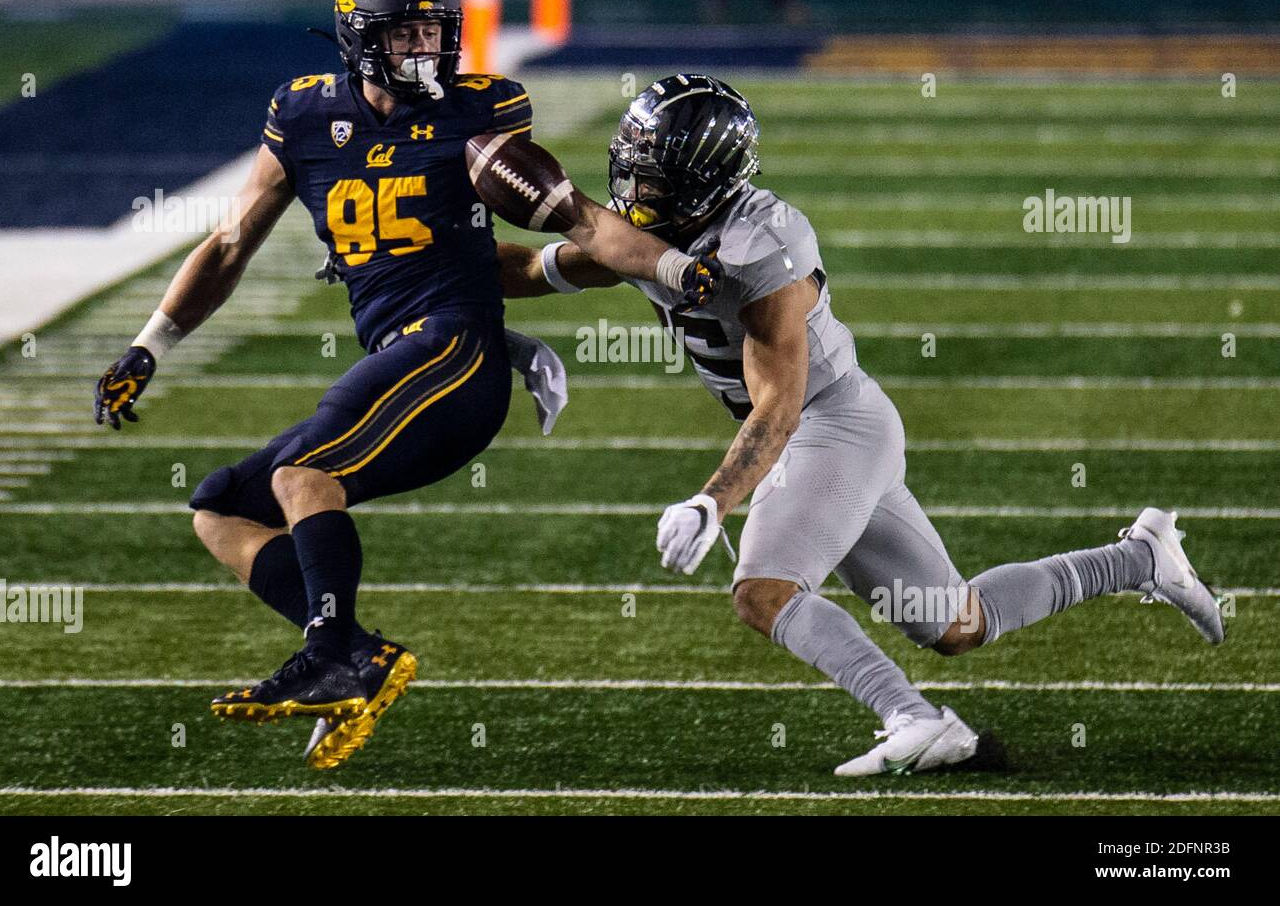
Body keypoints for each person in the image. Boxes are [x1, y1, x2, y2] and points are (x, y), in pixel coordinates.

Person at [495, 73, 1226, 776]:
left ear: (703, 182)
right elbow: (531, 269)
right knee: (955, 623)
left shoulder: (759, 248)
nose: (633, 188)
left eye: (651, 176)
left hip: (830, 425)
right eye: (633, 167)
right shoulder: (655, 233)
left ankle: (915, 720)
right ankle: (1140, 559)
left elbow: (780, 408)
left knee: (764, 590)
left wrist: (710, 501)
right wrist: (418, 261)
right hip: (836, 429)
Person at [92, 0, 718, 769]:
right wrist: (150, 344)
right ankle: (354, 651)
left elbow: (582, 226)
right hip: (403, 357)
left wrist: (673, 270)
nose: (428, 47)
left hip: (453, 353)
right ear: (360, 41)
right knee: (221, 508)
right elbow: (230, 241)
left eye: (435, 28)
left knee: (302, 476)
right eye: (407, 32)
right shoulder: (305, 114)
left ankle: (332, 659)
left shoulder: (483, 112)